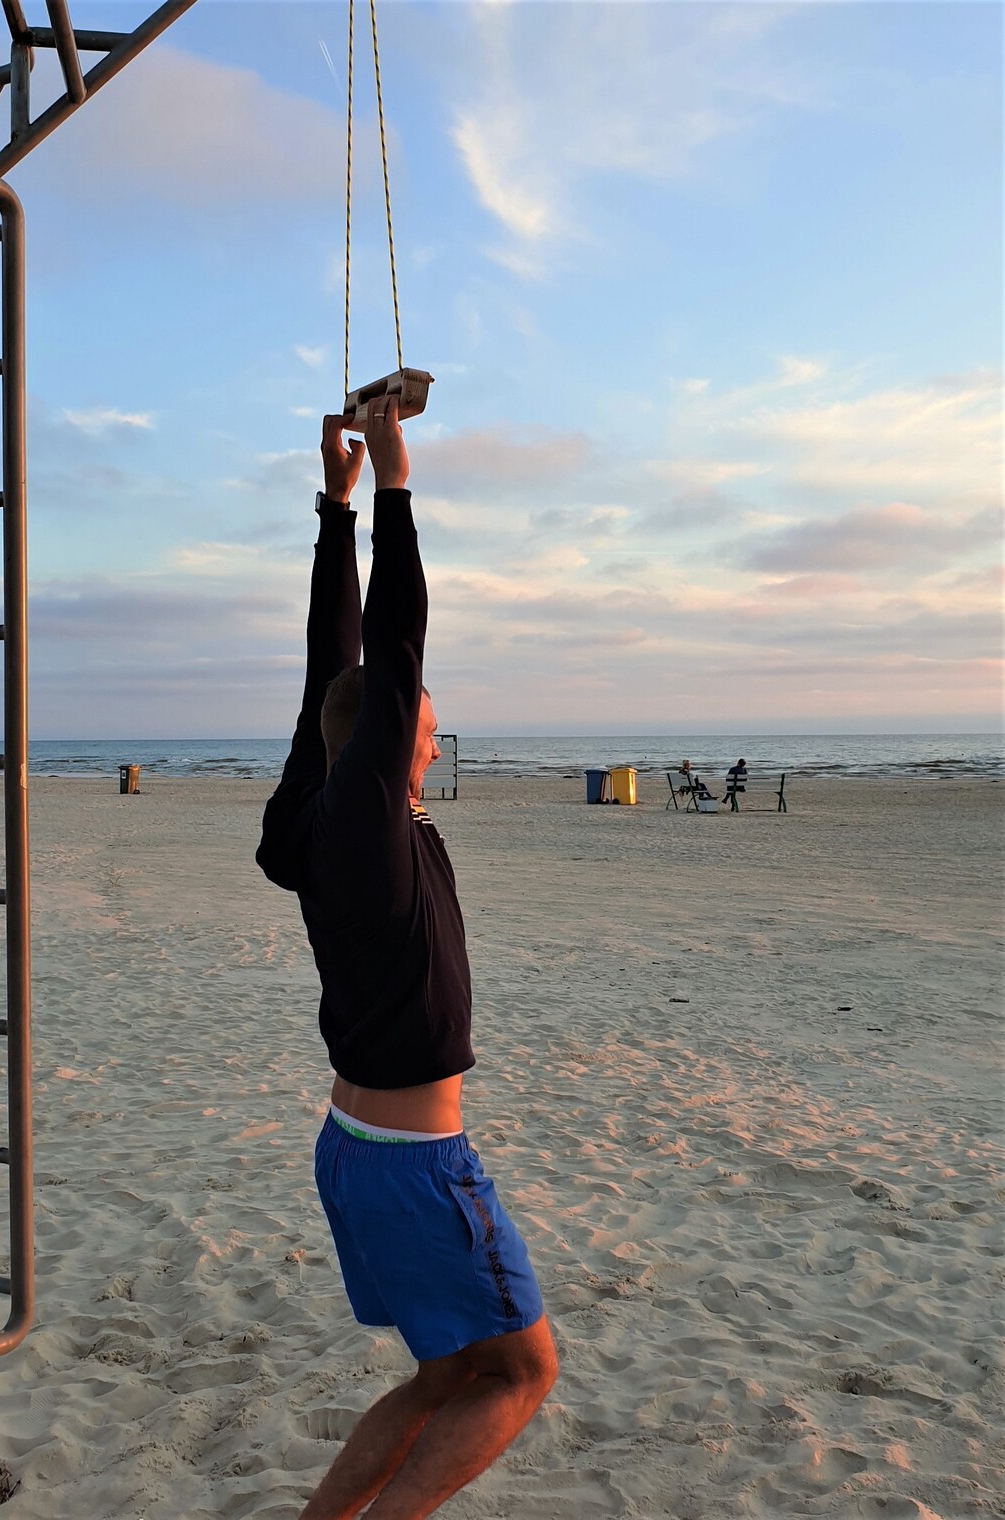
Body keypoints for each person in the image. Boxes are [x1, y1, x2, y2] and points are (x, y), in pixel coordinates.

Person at [256, 399, 557, 1520]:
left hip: (357, 1147)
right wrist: (393, 487)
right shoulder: (363, 833)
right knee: (522, 1372)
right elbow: (386, 654)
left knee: (445, 1374)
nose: (431, 725)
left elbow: (327, 672)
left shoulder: (315, 817)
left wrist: (331, 512)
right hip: (418, 1166)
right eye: (420, 720)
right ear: (396, 743)